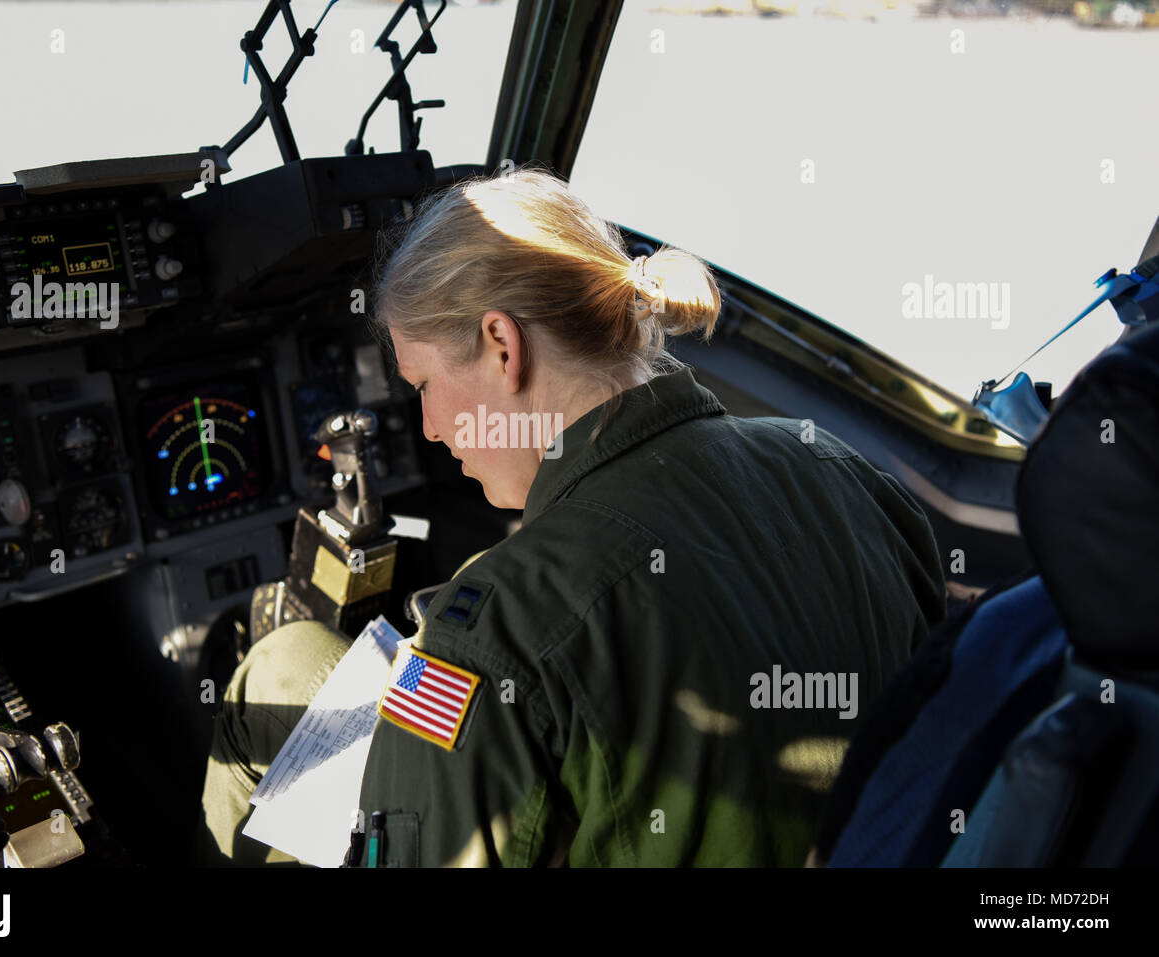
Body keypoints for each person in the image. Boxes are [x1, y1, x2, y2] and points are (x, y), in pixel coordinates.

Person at [196, 166, 946, 867]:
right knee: (295, 660)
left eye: (423, 382)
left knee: (272, 662)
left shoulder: (493, 625)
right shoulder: (846, 473)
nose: (425, 426)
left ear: (501, 344)